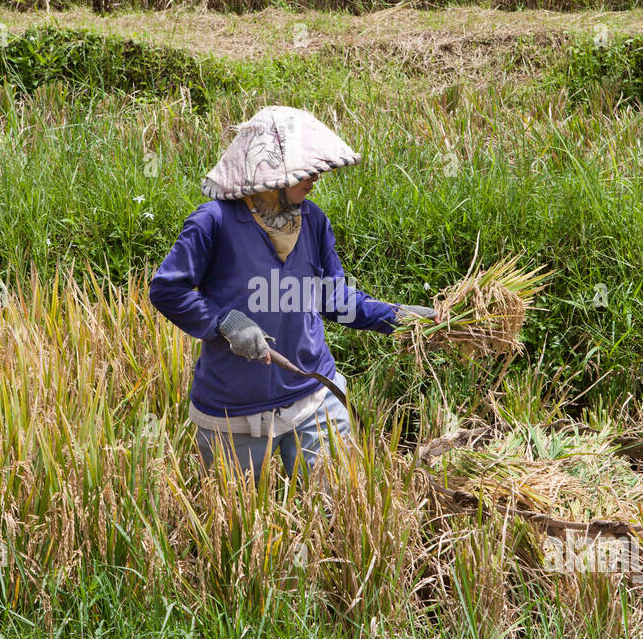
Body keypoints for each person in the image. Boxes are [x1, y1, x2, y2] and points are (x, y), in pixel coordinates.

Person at [149, 106, 433, 481]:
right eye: (305, 169)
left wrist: (404, 318)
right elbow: (168, 289)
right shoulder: (214, 222)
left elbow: (333, 300)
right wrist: (224, 321)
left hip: (315, 398)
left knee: (336, 512)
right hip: (234, 416)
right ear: (269, 171)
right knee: (244, 529)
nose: (315, 177)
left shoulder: (313, 221)